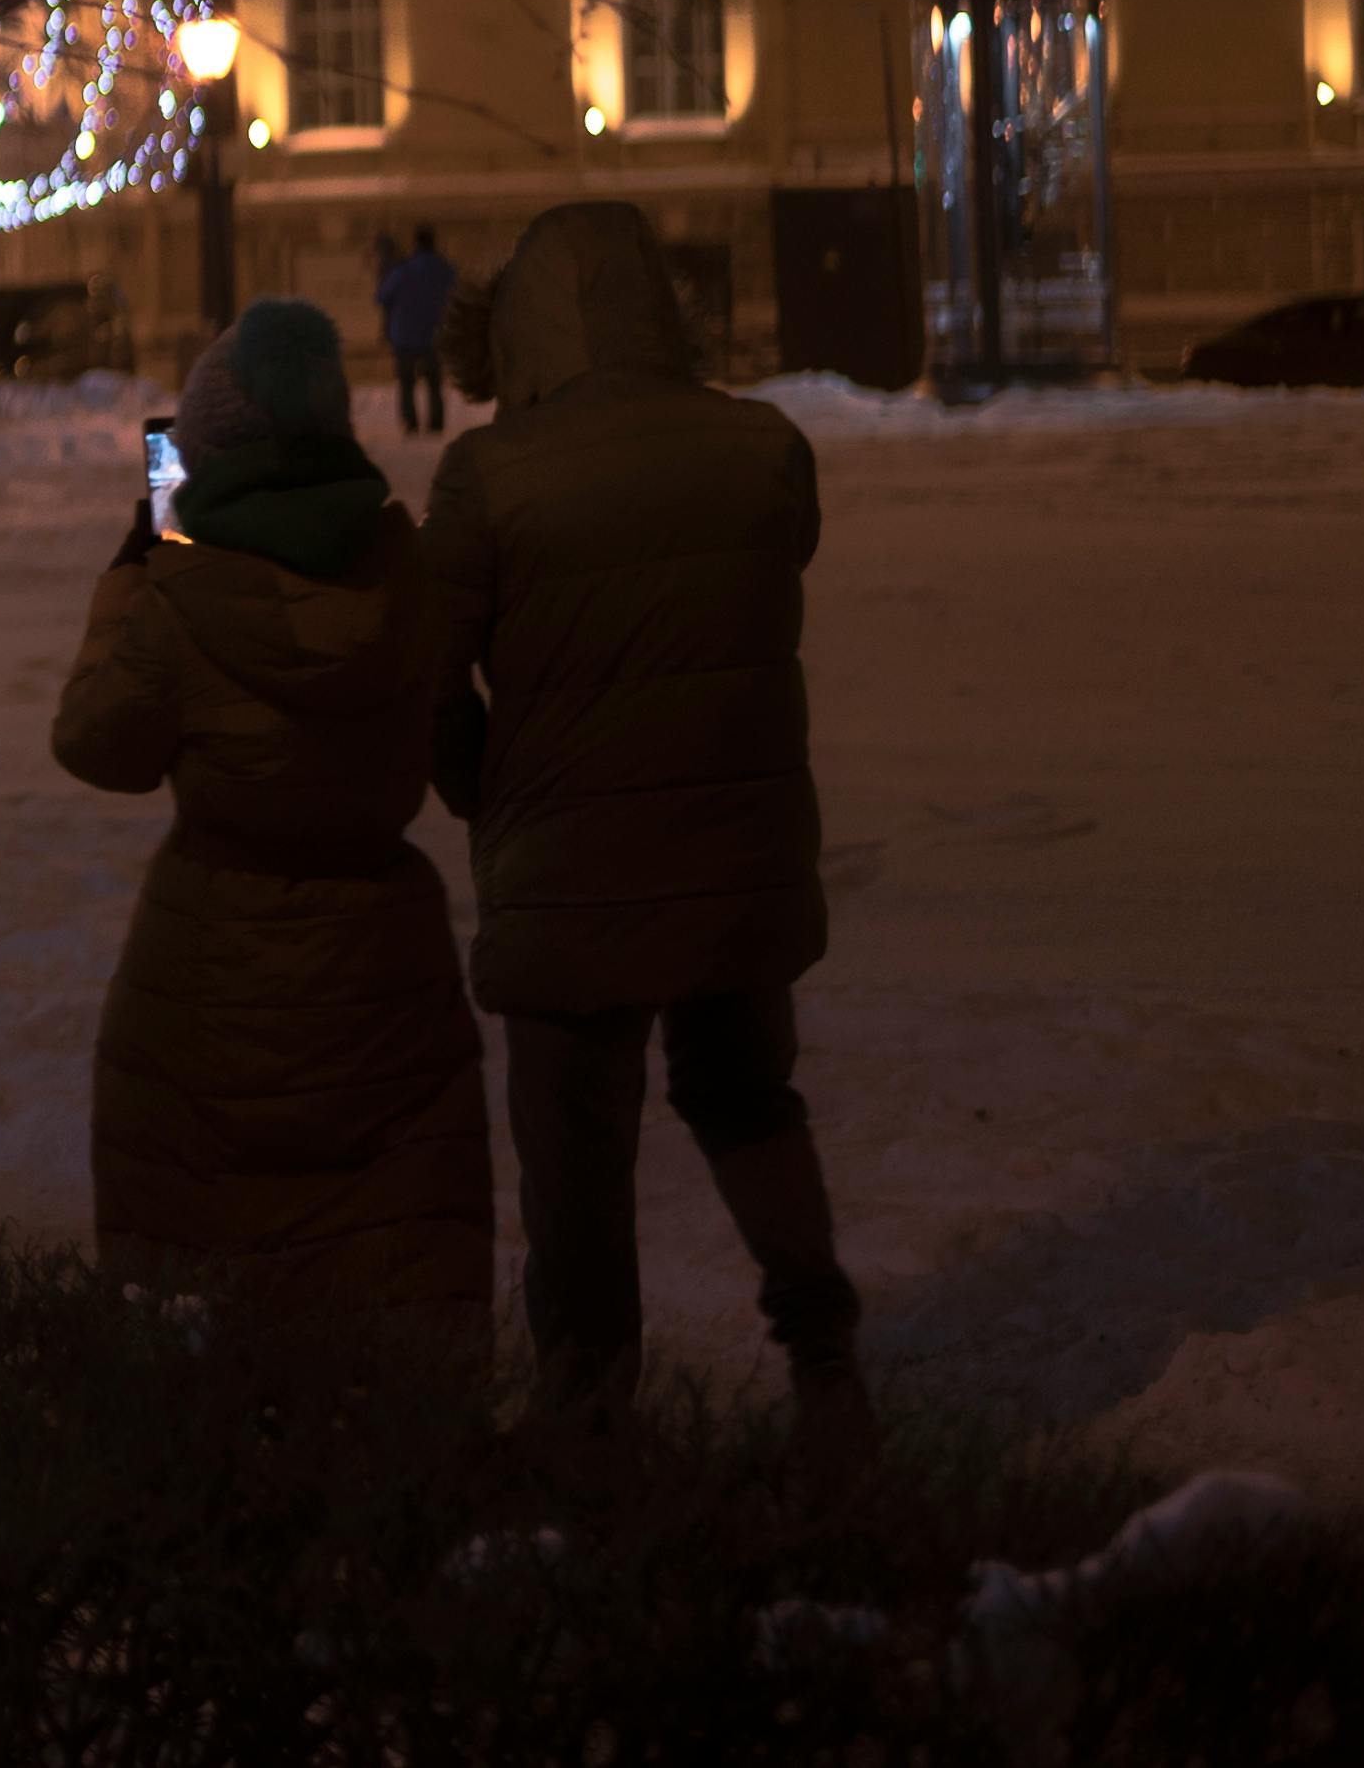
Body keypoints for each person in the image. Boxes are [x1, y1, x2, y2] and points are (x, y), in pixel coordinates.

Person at [428, 201, 866, 1451]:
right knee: (746, 1098)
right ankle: (823, 1356)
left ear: (519, 332)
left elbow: (427, 674)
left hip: (567, 872)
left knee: (575, 1153)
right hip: (734, 850)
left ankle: (586, 1418)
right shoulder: (761, 449)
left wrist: (481, 788)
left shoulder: (487, 478)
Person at [52, 299, 491, 1333]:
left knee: (209, 1278)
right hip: (385, 964)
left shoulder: (177, 598)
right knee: (387, 1263)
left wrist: (126, 581)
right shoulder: (406, 574)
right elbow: (451, 749)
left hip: (212, 963)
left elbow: (94, 745)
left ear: (207, 456)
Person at [376, 223, 460, 435]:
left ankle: (410, 422)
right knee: (434, 382)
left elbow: (382, 296)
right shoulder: (445, 270)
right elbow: (460, 294)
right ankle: (436, 422)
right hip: (434, 334)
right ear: (434, 242)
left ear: (415, 243)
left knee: (406, 383)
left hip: (404, 335)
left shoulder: (402, 270)